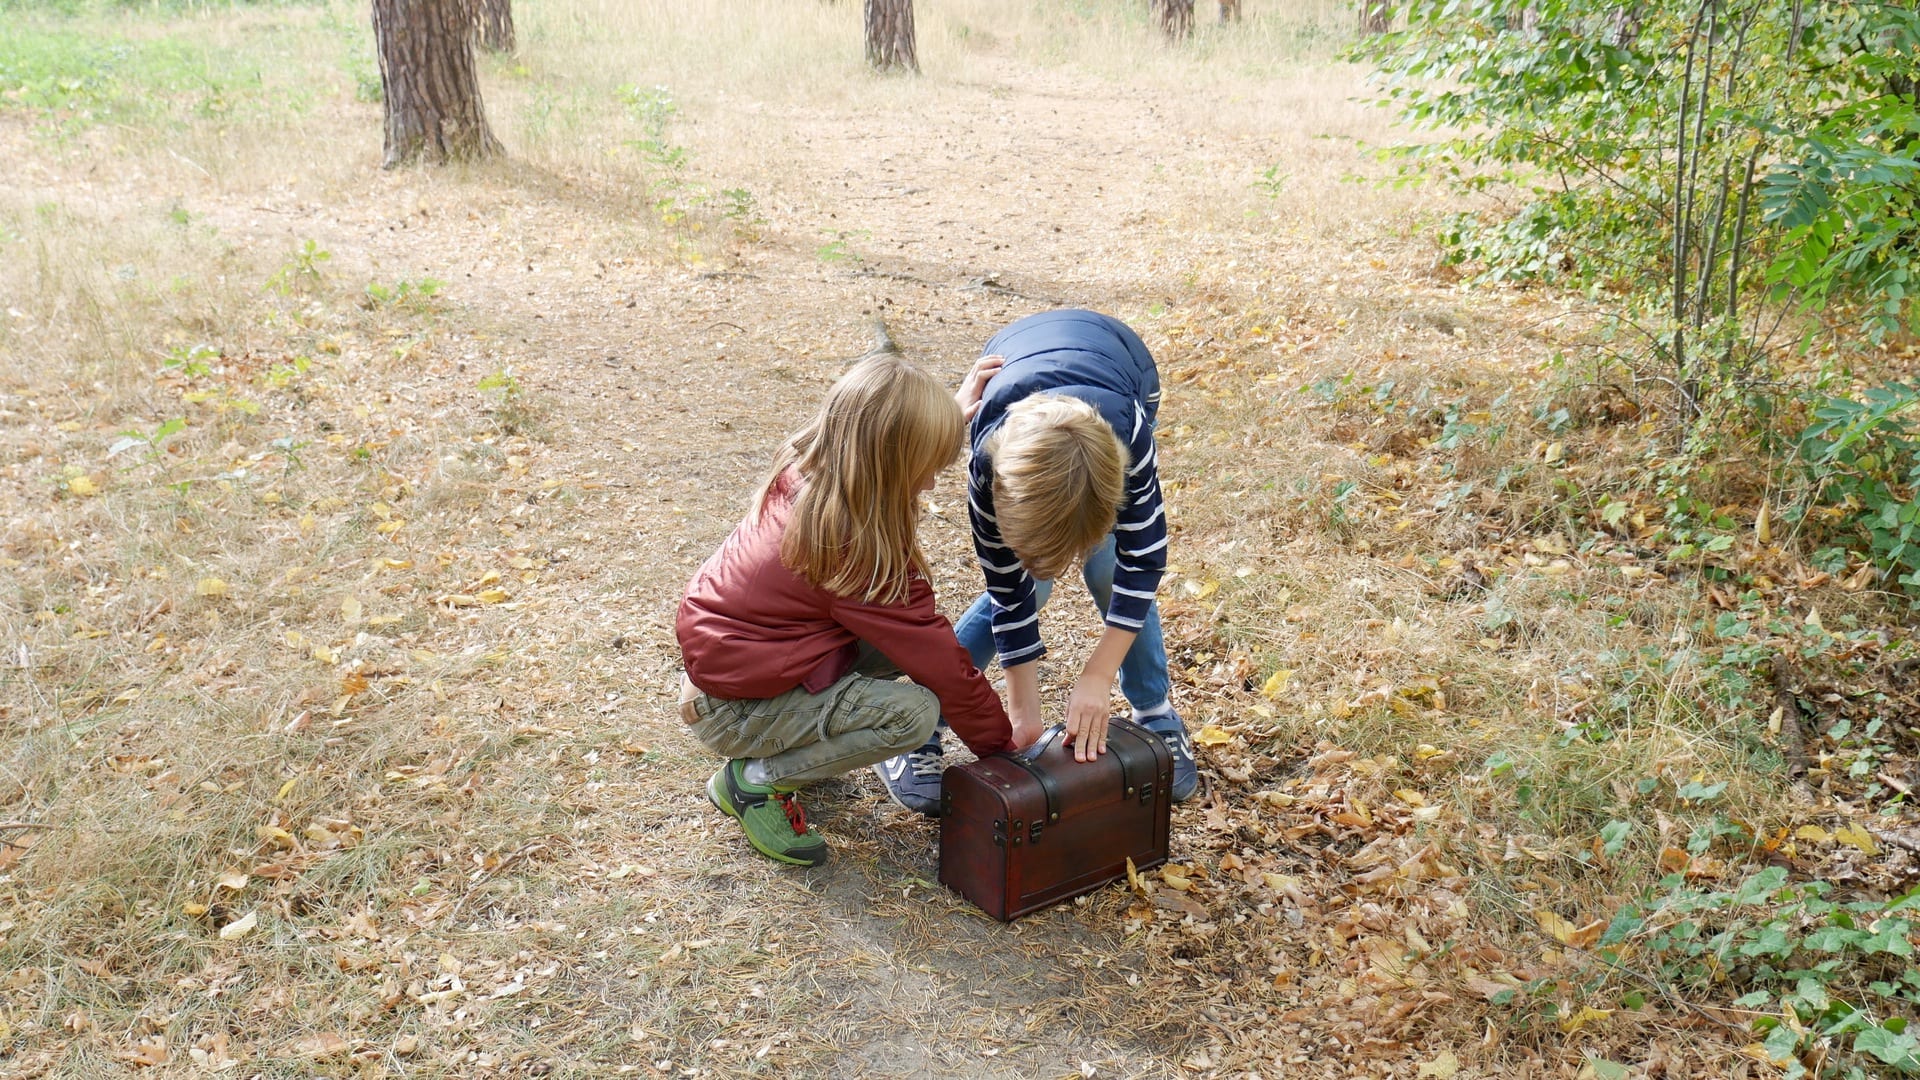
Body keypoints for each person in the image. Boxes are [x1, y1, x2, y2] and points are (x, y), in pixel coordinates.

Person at [675, 353, 1014, 866]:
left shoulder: (819, 470)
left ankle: (790, 743)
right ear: (890, 459)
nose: (928, 485)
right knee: (914, 714)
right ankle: (752, 782)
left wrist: (945, 414)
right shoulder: (844, 542)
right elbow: (943, 662)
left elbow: (874, 419)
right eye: (925, 466)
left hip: (745, 671)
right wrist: (1003, 750)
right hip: (731, 709)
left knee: (901, 647)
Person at [873, 309, 1197, 815]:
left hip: (1123, 362)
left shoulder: (1129, 444)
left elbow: (1145, 562)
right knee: (1031, 588)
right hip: (1017, 358)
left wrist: (1097, 676)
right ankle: (920, 723)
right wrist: (1023, 713)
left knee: (1111, 566)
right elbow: (1010, 592)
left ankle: (1154, 710)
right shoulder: (989, 464)